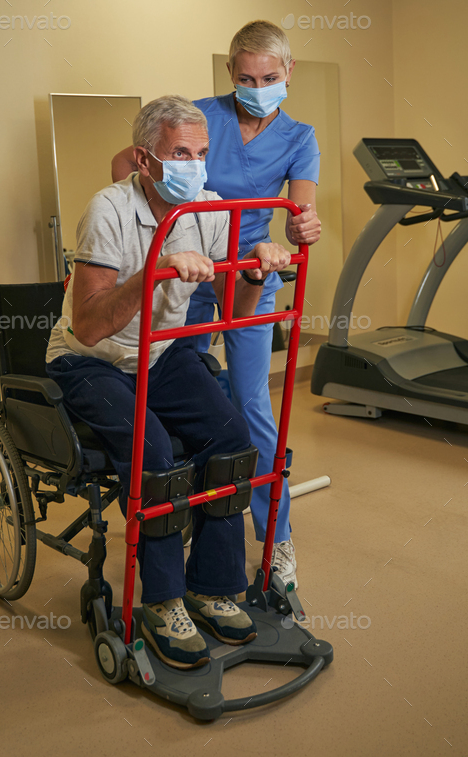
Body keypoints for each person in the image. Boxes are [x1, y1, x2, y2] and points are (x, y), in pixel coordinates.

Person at [46, 94, 291, 671]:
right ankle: (161, 601)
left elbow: (236, 303)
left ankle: (211, 587)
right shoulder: (108, 209)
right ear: (144, 159)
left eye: (201, 153)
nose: (194, 165)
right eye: (180, 152)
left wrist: (256, 267)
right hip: (92, 359)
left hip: (161, 354)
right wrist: (152, 274)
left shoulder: (207, 208)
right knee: (154, 452)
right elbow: (86, 325)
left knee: (234, 441)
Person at [112, 21, 321, 589]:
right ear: (230, 73)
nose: (257, 86)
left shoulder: (300, 138)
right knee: (180, 394)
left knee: (251, 402)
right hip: (187, 274)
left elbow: (298, 221)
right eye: (246, 77)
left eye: (269, 77)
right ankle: (187, 508)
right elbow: (122, 168)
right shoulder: (200, 117)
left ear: (288, 73)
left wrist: (303, 228)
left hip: (247, 272)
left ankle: (276, 538)